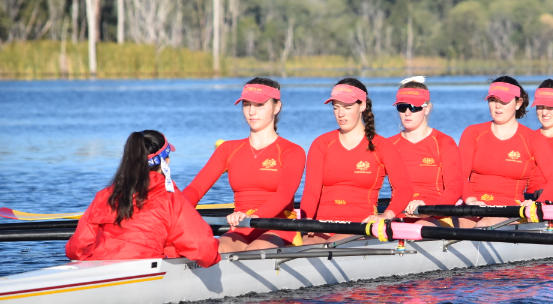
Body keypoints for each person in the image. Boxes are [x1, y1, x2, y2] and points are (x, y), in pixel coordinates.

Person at [183, 77, 306, 252]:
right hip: (242, 227)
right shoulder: (228, 149)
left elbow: (284, 196)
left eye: (259, 105)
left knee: (253, 253)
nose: (251, 112)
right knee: (211, 250)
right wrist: (177, 210)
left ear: (276, 107)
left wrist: (253, 216)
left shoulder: (291, 151)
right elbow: (196, 188)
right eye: (247, 104)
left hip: (279, 227)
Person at [66, 131, 220, 267]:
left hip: (98, 265)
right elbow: (205, 251)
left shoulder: (105, 195)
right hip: (144, 269)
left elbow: (75, 249)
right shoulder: (171, 198)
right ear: (166, 162)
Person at [299, 78, 414, 241]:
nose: (340, 114)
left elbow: (404, 188)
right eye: (336, 107)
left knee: (326, 248)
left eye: (347, 107)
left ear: (362, 105)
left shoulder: (382, 146)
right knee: (303, 249)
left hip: (361, 226)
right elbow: (311, 192)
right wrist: (306, 221)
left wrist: (386, 215)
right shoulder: (321, 144)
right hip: (322, 226)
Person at [458, 76, 553, 227]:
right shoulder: (472, 133)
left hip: (509, 208)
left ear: (518, 103)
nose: (497, 106)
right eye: (493, 100)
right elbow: (460, 175)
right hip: (473, 204)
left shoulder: (533, 139)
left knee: (483, 226)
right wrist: (469, 199)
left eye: (504, 101)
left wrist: (538, 204)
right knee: (461, 226)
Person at [388, 76, 463, 218]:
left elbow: (455, 188)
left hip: (435, 216)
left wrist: (428, 210)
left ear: (426, 108)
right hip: (398, 216)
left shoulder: (444, 142)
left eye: (414, 107)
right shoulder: (388, 145)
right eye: (402, 107)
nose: (407, 113)